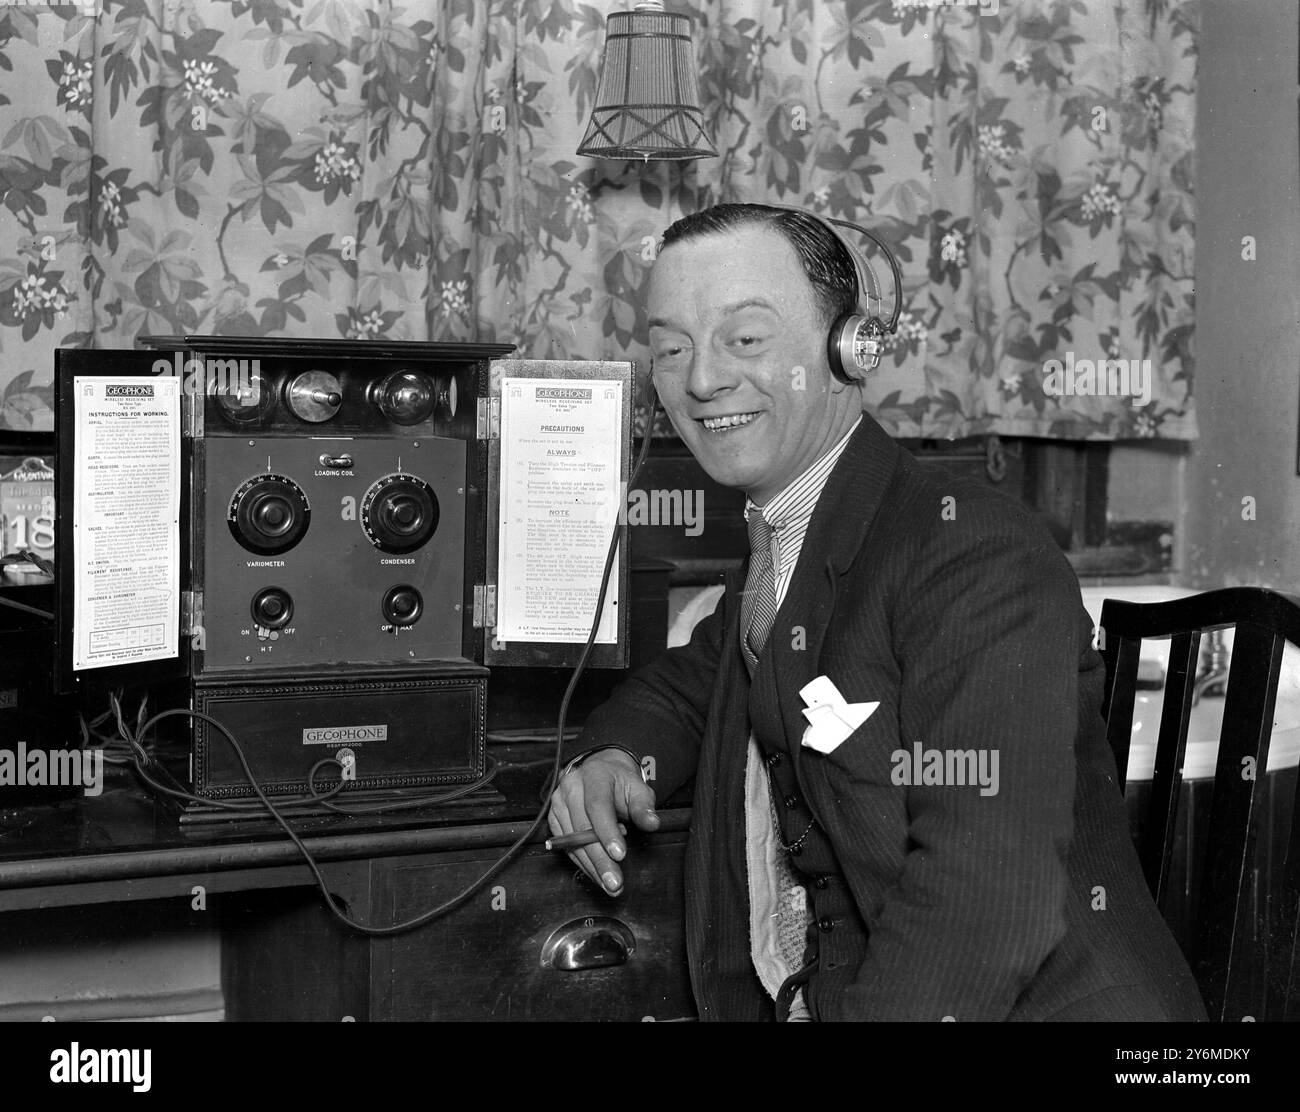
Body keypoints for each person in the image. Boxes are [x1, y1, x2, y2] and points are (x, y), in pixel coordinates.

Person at [547, 203, 1207, 1022]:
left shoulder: (970, 552)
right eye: (672, 348)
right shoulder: (788, 542)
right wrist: (614, 755)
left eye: (745, 340)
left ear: (847, 350)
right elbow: (700, 680)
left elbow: (982, 901)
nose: (702, 379)